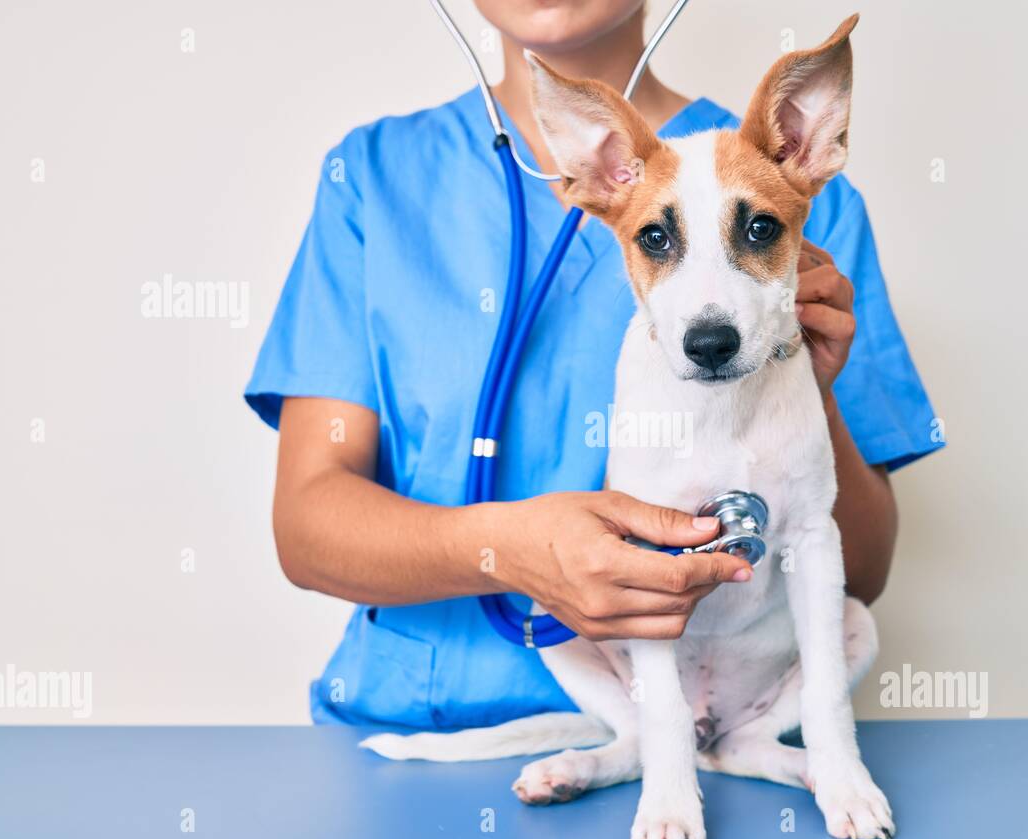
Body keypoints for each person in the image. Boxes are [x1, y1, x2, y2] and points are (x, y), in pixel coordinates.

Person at [245, 0, 942, 732]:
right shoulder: (373, 178)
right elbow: (307, 527)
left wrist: (803, 388)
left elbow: (858, 571)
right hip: (418, 728)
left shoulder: (780, 186)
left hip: (713, 745)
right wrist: (504, 551)